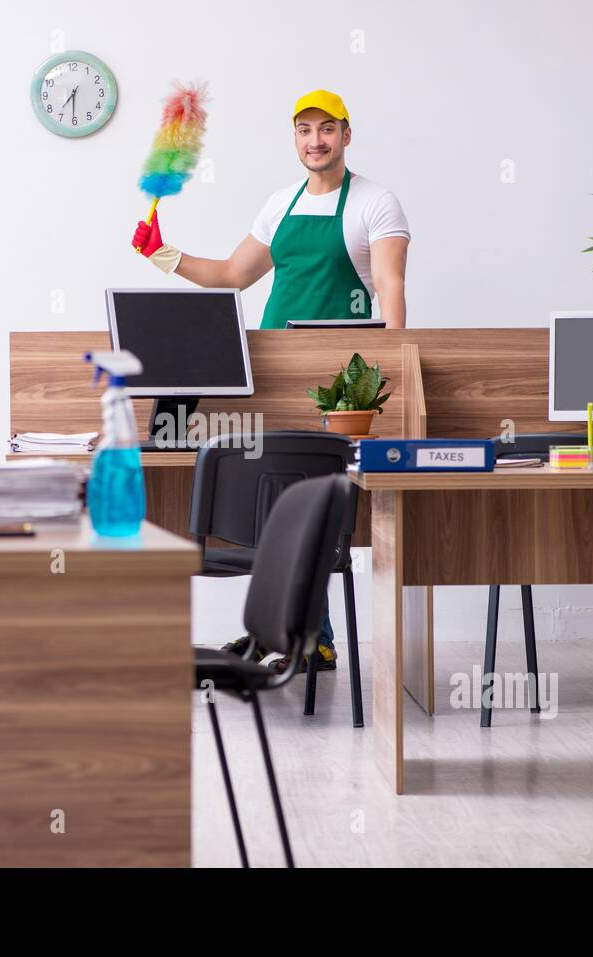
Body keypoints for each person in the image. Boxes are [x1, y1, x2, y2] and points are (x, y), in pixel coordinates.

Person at [131, 89, 410, 673]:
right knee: (271, 500)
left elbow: (389, 284)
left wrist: (386, 365)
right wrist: (164, 255)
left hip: (341, 378)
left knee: (317, 504)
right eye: (305, 130)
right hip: (272, 371)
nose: (316, 140)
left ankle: (309, 637)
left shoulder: (375, 202)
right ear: (295, 138)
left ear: (346, 134)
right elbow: (233, 275)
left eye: (327, 129)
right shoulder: (279, 203)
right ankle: (285, 635)